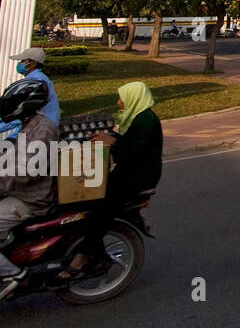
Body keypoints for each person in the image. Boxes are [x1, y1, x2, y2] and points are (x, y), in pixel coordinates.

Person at [58, 81, 164, 282]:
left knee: (101, 206)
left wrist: (113, 141)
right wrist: (108, 136)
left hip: (140, 176)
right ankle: (87, 249)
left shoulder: (147, 120)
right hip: (127, 171)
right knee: (85, 199)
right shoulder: (135, 117)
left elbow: (136, 152)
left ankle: (83, 255)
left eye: (121, 98)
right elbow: (127, 142)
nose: (118, 102)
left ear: (134, 98)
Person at [0, 78, 57, 298]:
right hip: (17, 192)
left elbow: (25, 172)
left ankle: (16, 275)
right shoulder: (28, 125)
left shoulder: (43, 130)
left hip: (31, 199)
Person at [8, 47, 59, 126]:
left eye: (23, 61)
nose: (20, 63)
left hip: (40, 129)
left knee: (18, 138)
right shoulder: (35, 79)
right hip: (32, 126)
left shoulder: (36, 82)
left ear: (33, 63)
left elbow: (23, 113)